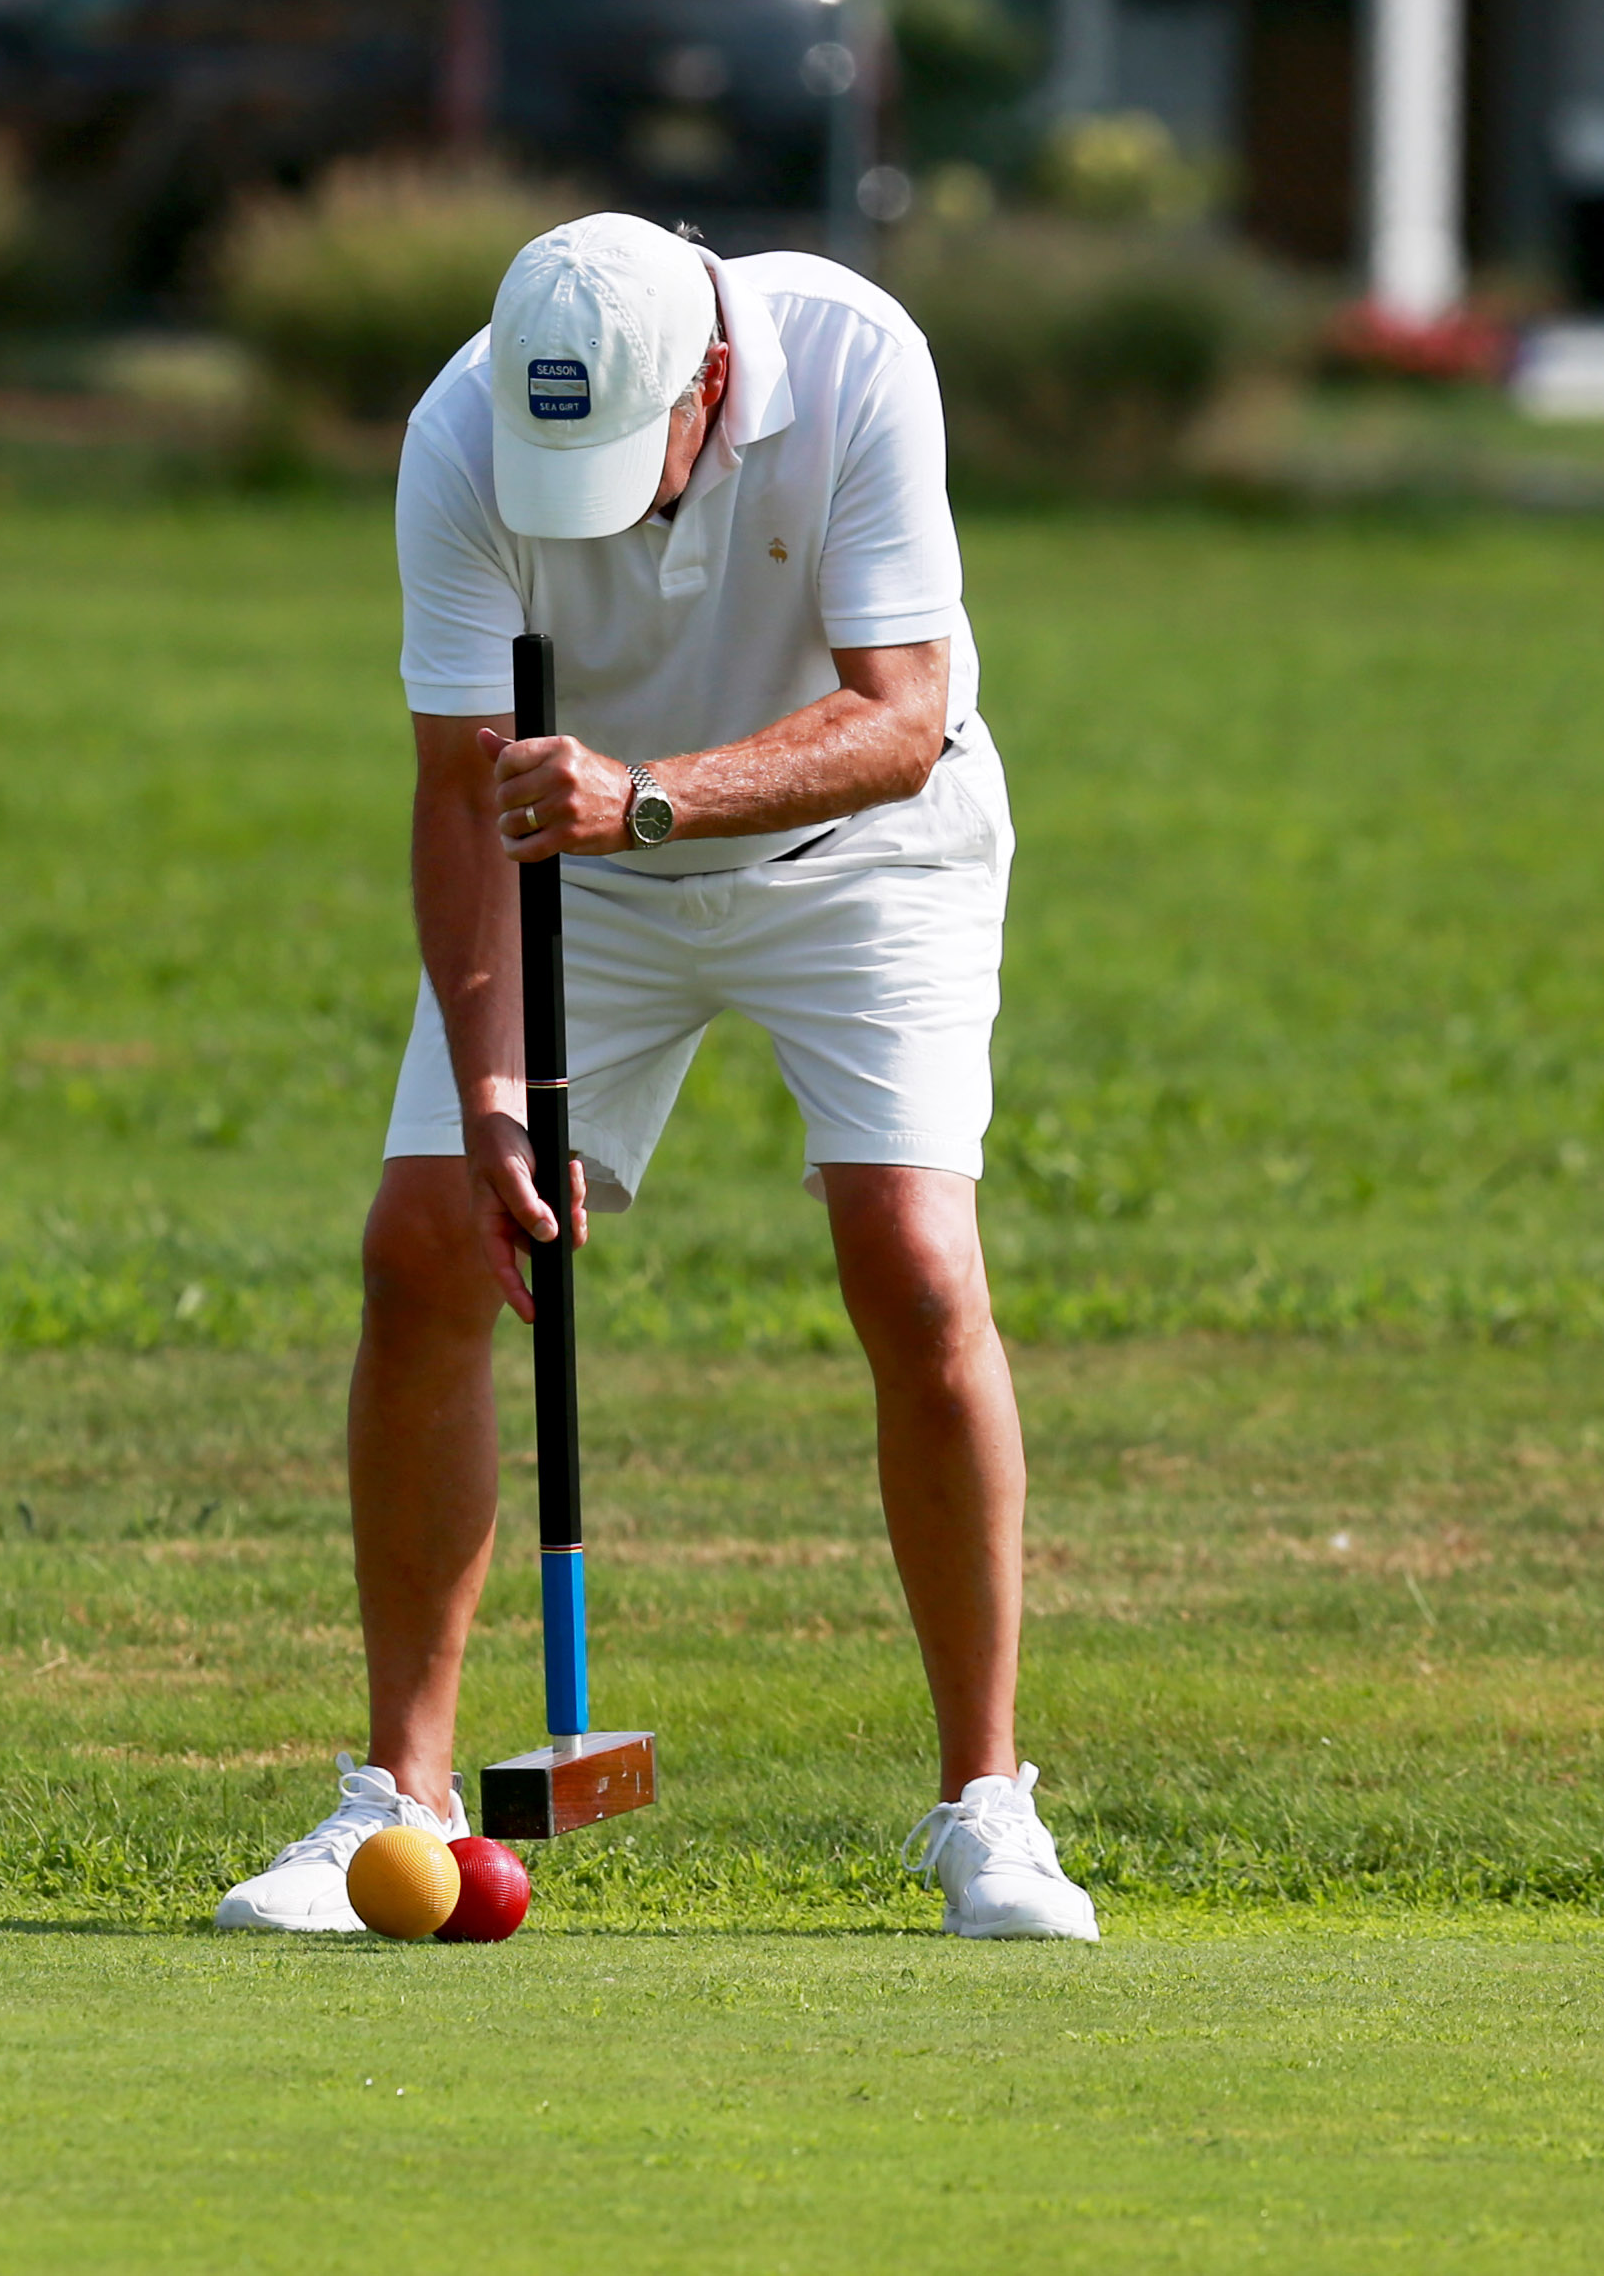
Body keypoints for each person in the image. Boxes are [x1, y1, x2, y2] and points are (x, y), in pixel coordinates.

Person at [215, 212, 1099, 1942]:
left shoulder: (856, 357)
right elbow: (462, 778)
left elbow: (903, 713)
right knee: (419, 1254)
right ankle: (392, 1800)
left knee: (914, 1267)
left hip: (866, 850)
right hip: (576, 858)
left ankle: (985, 1807)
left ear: (707, 379)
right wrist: (486, 1089)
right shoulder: (460, 430)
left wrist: (651, 797)